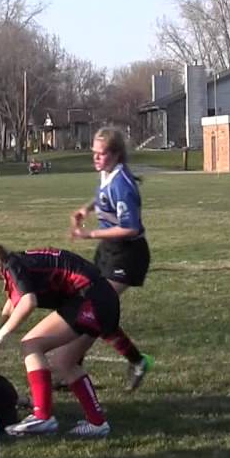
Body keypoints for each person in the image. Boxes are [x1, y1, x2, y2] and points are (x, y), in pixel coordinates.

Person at [0, 240, 121, 438]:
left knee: (31, 344)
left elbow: (29, 301)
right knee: (64, 362)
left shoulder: (13, 266)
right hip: (100, 299)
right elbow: (12, 304)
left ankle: (42, 417)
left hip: (90, 299)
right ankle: (98, 423)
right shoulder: (14, 264)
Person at [68, 126, 155, 391]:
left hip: (128, 255)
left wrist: (91, 233)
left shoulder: (123, 184)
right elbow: (103, 196)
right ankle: (72, 366)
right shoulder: (108, 174)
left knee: (95, 309)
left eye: (101, 154)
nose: (96, 159)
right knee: (87, 306)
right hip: (108, 250)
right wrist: (86, 208)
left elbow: (132, 228)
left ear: (116, 154)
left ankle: (136, 361)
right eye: (93, 153)